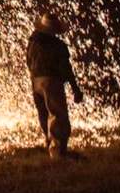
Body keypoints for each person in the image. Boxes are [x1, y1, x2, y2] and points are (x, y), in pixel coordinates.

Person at [27, 12, 83, 159]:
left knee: (44, 114)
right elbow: (66, 68)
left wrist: (35, 80)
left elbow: (28, 62)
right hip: (51, 82)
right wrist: (75, 88)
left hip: (36, 82)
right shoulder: (58, 46)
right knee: (57, 116)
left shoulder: (32, 42)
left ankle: (49, 144)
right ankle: (58, 153)